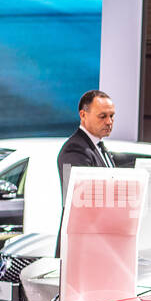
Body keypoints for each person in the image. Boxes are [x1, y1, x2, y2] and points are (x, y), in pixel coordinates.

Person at [55, 90, 116, 254]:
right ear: (83, 115)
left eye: (112, 116)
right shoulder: (74, 149)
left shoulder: (100, 148)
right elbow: (77, 199)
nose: (109, 121)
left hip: (97, 244)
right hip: (81, 246)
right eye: (102, 116)